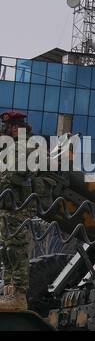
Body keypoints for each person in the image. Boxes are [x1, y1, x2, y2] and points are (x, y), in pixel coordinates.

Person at [0, 111, 35, 313]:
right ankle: (9, 293)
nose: (14, 129)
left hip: (19, 206)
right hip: (6, 207)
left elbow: (15, 174)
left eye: (17, 125)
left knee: (17, 249)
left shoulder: (28, 145)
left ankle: (19, 296)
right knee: (6, 250)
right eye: (11, 126)